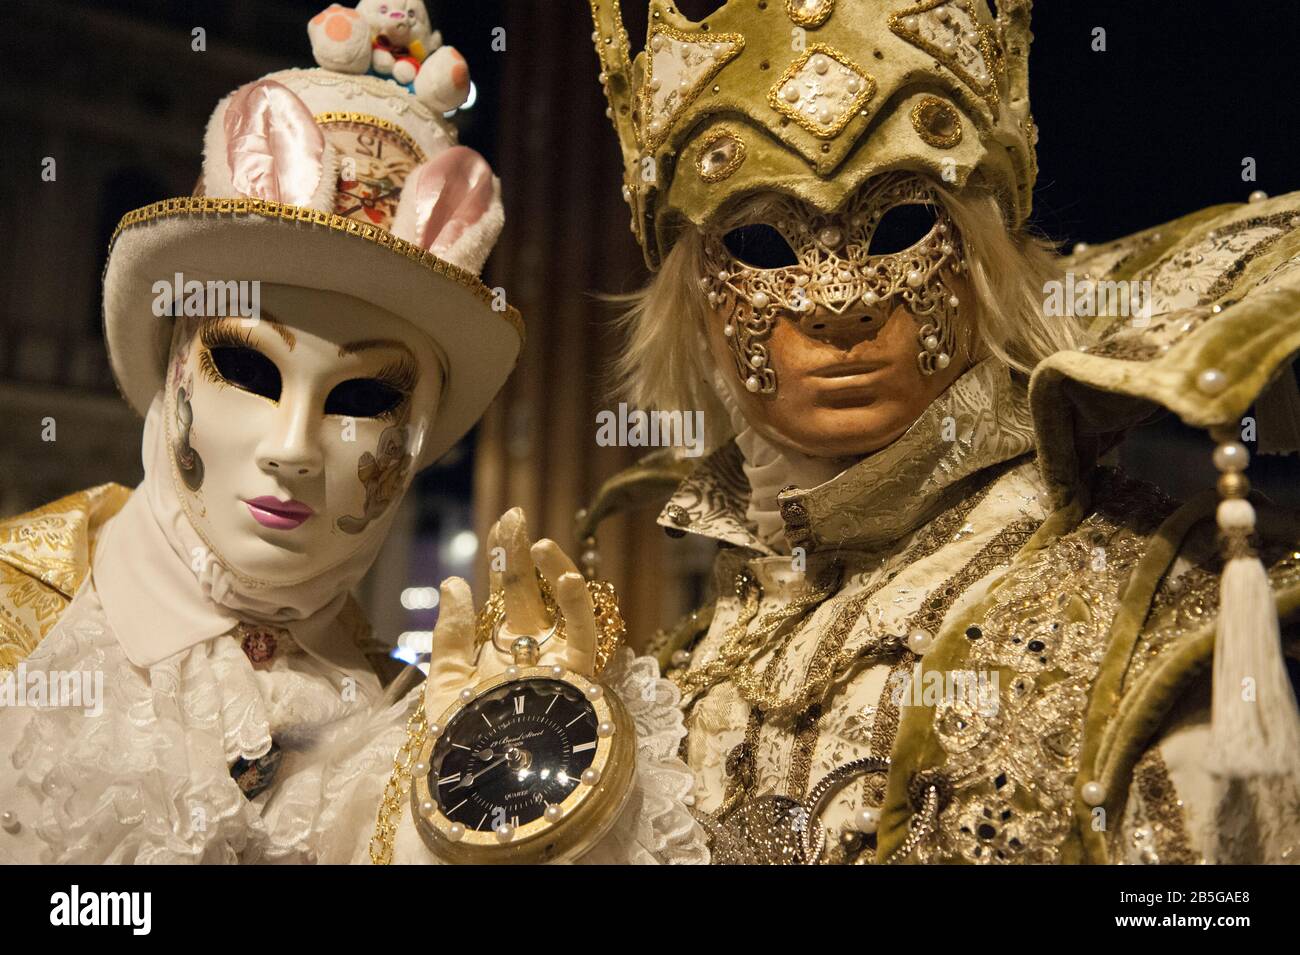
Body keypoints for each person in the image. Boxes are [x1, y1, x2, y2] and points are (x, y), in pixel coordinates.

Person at [549, 0, 1300, 863]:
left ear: (982, 255)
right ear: (692, 297)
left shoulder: (1145, 612)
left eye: (898, 225)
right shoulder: (691, 658)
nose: (840, 301)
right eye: (764, 241)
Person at [0, 28, 528, 863]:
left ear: (417, 434)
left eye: (362, 397)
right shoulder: (17, 624)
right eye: (247, 366)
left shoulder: (410, 724)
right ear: (174, 359)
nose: (293, 449)